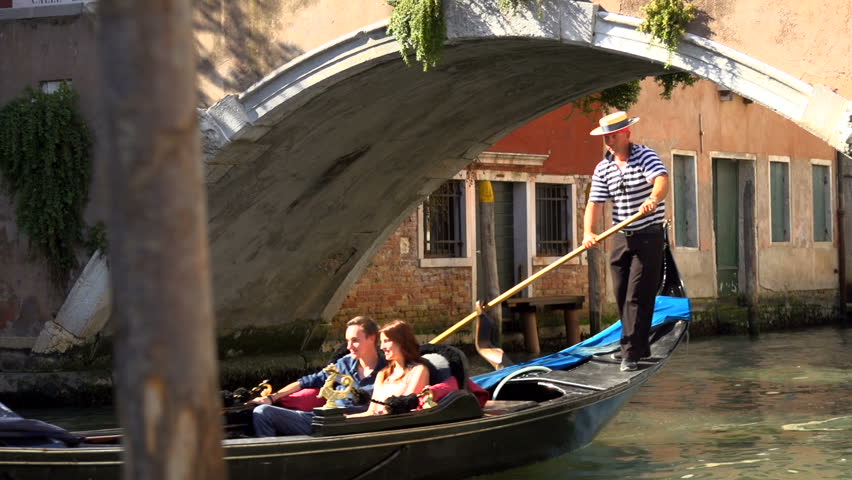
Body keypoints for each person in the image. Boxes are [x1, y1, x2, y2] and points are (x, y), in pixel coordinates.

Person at [582, 111, 669, 372]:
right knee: (621, 294)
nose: (608, 140)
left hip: (649, 235)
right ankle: (640, 346)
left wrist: (653, 198)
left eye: (612, 135)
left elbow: (662, 181)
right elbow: (595, 203)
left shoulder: (646, 156)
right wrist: (589, 232)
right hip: (620, 237)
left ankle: (629, 353)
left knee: (636, 296)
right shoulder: (603, 167)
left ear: (626, 133)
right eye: (605, 136)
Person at [250, 315, 385, 436]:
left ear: (372, 338)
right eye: (347, 340)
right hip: (326, 419)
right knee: (263, 412)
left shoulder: (389, 369)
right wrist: (272, 398)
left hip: (355, 426)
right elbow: (306, 381)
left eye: (355, 340)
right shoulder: (344, 363)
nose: (349, 346)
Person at [347, 320, 430, 417]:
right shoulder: (383, 374)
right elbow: (371, 412)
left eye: (386, 341)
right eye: (381, 342)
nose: (382, 347)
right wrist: (345, 419)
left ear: (401, 342)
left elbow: (405, 409)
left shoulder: (418, 371)